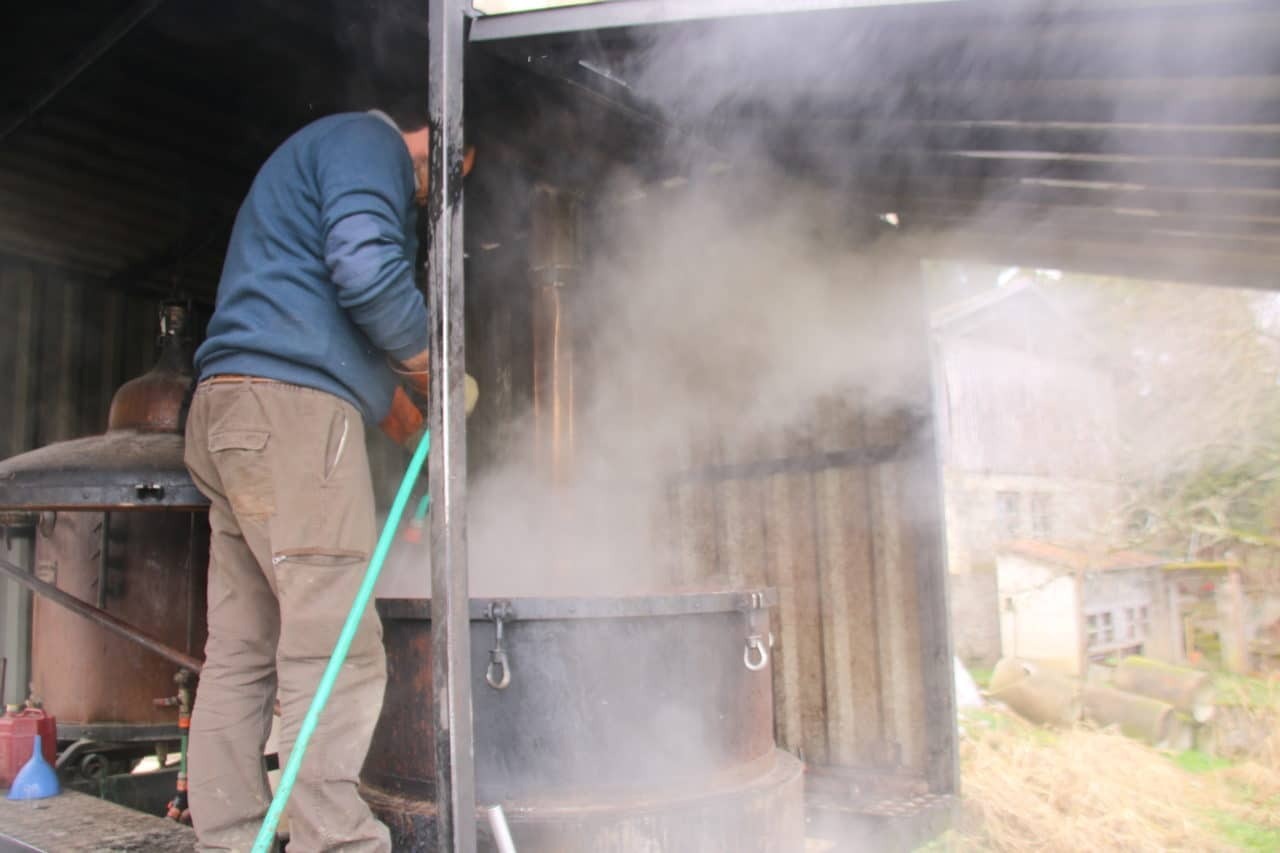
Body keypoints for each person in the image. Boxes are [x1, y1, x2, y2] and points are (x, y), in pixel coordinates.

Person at [184, 102, 464, 851]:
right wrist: (440, 362)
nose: (438, 198)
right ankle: (336, 843)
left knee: (242, 648)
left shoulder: (316, 173)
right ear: (444, 146)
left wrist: (420, 430)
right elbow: (369, 277)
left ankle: (231, 834)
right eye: (452, 177)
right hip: (289, 420)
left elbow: (347, 353)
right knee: (335, 641)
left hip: (230, 412)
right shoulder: (366, 143)